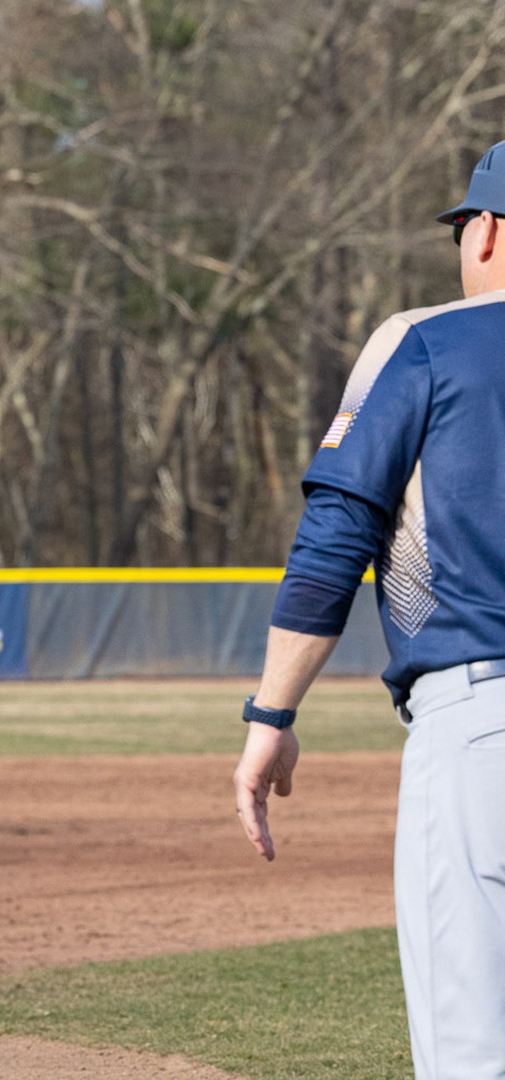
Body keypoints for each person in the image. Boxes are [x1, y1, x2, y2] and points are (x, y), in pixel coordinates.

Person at [235, 140, 505, 1079]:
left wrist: (271, 714)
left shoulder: (424, 342)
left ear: (487, 231)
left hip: (481, 730)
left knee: (471, 1052)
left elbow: (335, 540)